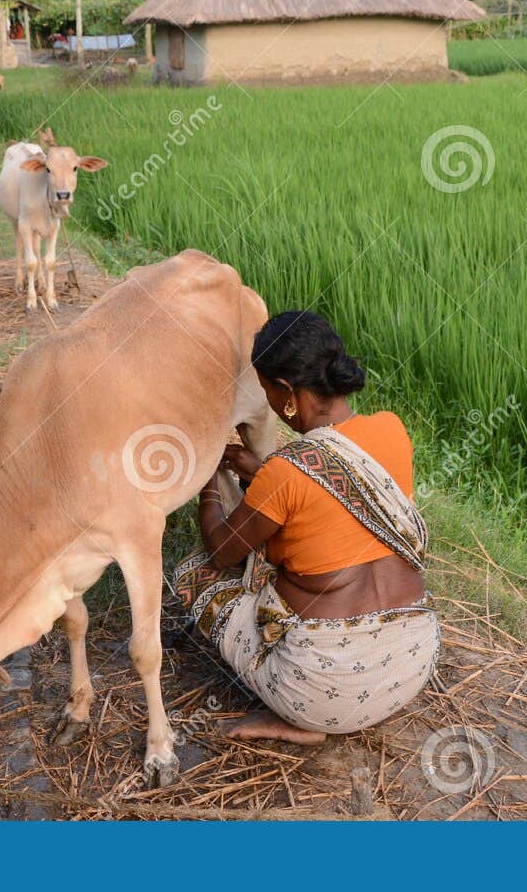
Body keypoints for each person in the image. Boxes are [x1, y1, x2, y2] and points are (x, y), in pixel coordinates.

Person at [174, 311, 439, 744]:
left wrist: (208, 484)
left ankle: (299, 718)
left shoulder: (285, 471)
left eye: (269, 395)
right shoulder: (392, 429)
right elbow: (332, 501)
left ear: (287, 391)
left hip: (323, 693)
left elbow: (223, 550)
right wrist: (261, 473)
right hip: (411, 664)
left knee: (193, 575)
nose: (275, 409)